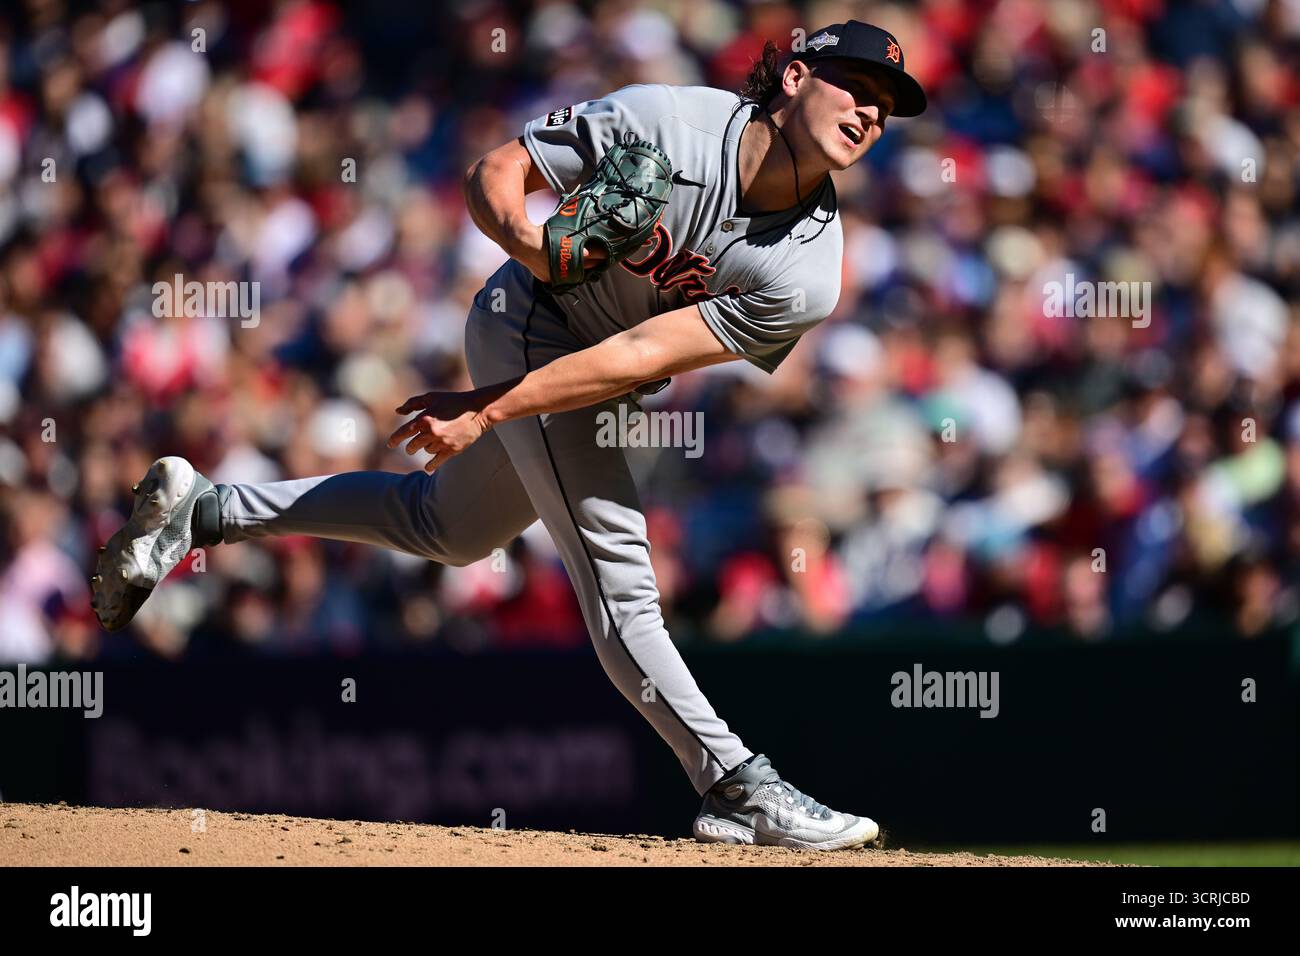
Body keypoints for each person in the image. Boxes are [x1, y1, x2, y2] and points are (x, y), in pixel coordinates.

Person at [91, 20, 926, 850]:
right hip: (530, 317)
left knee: (445, 528)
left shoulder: (810, 270)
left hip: (588, 369)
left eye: (888, 105)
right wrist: (531, 245)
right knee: (623, 585)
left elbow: (638, 352)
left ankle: (206, 511)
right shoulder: (672, 122)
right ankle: (736, 785)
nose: (871, 111)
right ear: (795, 78)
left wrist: (492, 407)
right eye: (856, 85)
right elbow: (494, 172)